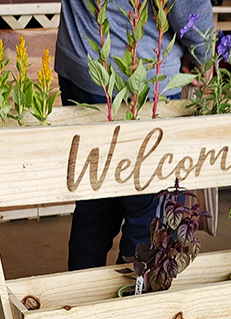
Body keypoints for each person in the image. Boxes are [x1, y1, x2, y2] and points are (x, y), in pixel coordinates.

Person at [55, 0, 213, 271]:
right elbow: (186, 6)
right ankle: (132, 307)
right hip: (142, 74)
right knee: (150, 208)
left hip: (81, 58)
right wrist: (204, 57)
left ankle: (80, 305)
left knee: (95, 200)